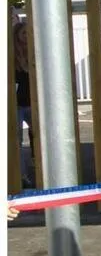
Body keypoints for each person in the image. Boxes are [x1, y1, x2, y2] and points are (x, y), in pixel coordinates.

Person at [12, 21, 35, 189]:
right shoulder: (11, 56)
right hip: (17, 104)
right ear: (17, 36)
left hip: (32, 103)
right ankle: (22, 176)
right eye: (23, 34)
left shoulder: (34, 55)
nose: (26, 37)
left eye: (28, 34)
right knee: (17, 141)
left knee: (41, 136)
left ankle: (40, 167)